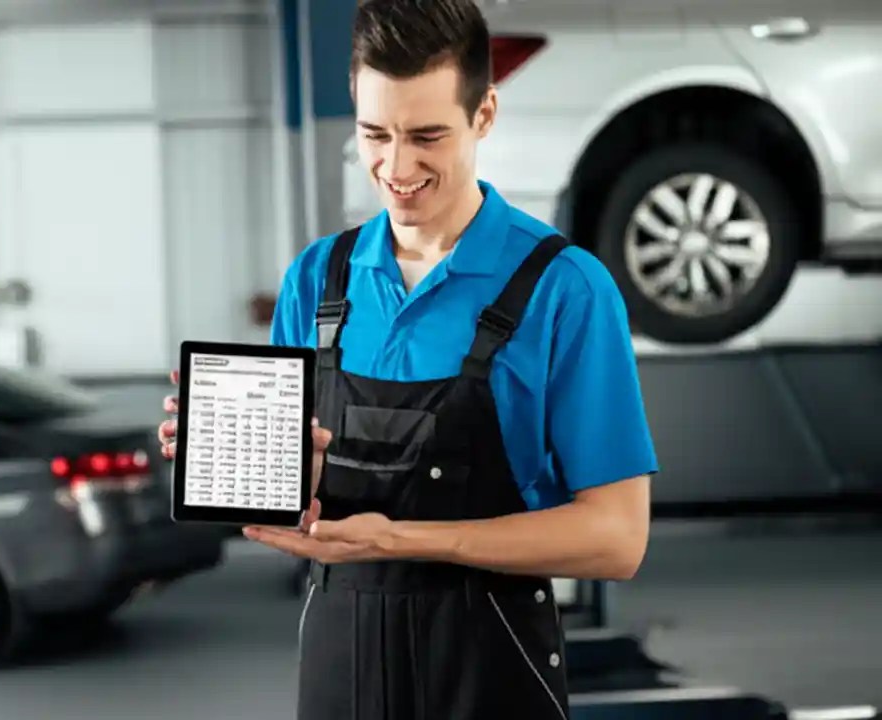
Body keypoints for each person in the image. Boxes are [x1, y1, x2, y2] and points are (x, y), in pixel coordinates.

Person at [159, 0, 657, 717]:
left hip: (491, 676)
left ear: (484, 114)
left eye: (427, 136)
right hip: (342, 671)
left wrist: (399, 540)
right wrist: (246, 462)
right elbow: (304, 511)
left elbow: (617, 539)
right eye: (375, 134)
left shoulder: (565, 289)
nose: (396, 167)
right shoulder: (317, 279)